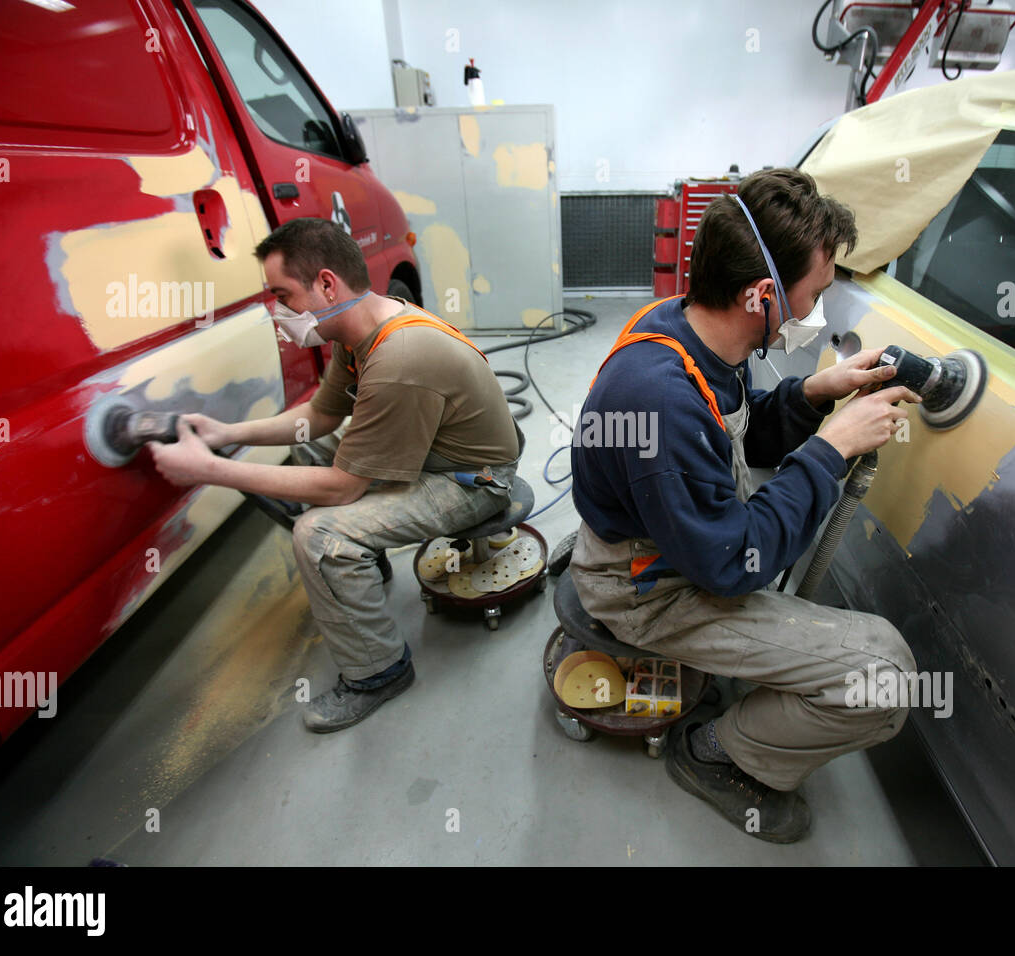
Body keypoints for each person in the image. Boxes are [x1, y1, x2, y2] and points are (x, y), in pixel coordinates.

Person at [569, 168, 920, 843]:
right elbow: (731, 564)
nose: (816, 313)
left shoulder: (686, 327)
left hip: (678, 546)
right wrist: (830, 451)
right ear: (761, 294)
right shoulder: (659, 398)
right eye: (813, 294)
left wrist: (814, 393)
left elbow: (734, 426)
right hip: (649, 589)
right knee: (887, 677)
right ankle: (717, 754)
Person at [149, 217, 521, 732]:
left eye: (283, 295)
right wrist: (223, 432)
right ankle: (365, 572)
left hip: (474, 480)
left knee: (320, 535)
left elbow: (344, 488)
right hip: (436, 450)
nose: (278, 313)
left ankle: (379, 672)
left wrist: (212, 470)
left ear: (327, 284)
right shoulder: (360, 327)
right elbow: (318, 420)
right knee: (314, 449)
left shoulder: (399, 357)